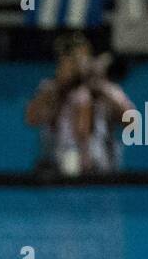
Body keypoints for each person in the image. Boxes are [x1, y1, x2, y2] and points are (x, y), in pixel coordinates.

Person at [25, 35, 133, 176]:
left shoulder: (107, 89)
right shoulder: (50, 88)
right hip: (57, 169)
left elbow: (132, 122)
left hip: (103, 170)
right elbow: (31, 119)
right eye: (71, 60)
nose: (77, 65)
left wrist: (98, 87)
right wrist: (60, 87)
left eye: (81, 59)